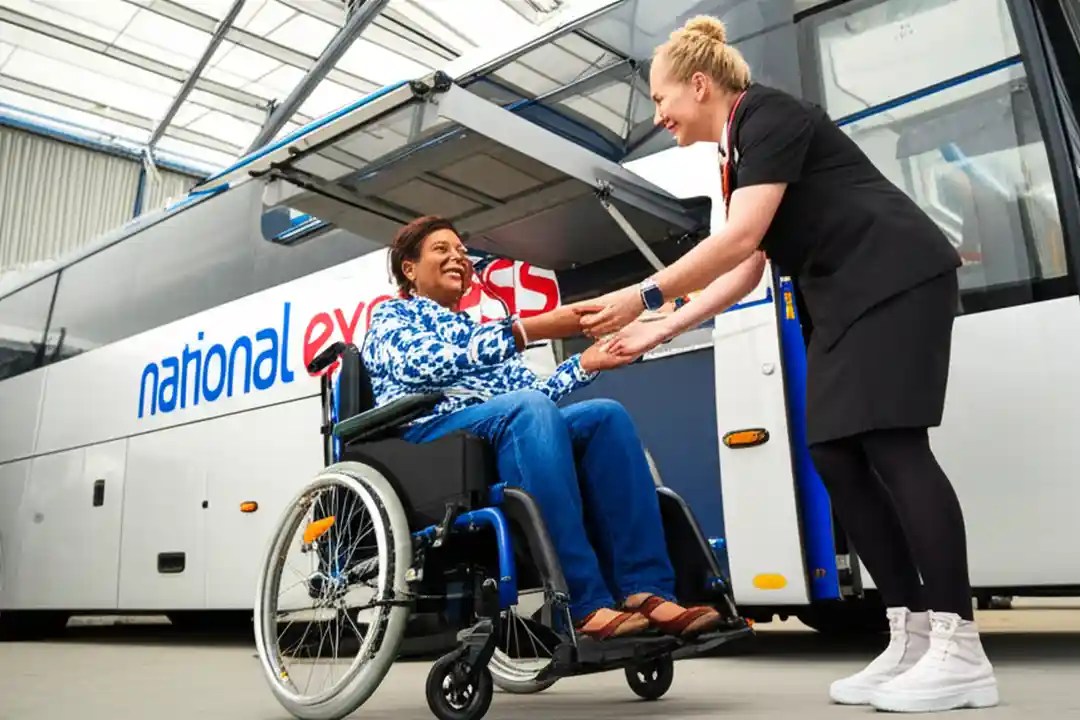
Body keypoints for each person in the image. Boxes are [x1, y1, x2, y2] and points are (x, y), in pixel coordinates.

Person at [579, 16, 998, 713]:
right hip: (843, 300)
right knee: (834, 454)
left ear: (702, 84)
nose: (660, 117)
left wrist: (640, 294)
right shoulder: (740, 150)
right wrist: (661, 329)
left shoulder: (768, 115)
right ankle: (911, 633)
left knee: (895, 448)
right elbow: (747, 266)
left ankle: (960, 646)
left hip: (891, 279)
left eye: (662, 100)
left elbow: (740, 237)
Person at [361, 215, 722, 641]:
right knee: (526, 409)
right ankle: (583, 602)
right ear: (409, 269)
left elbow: (534, 393)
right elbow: (423, 364)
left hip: (500, 428)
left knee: (605, 414)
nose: (457, 257)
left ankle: (646, 590)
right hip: (432, 437)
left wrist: (585, 363)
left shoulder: (474, 329)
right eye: (442, 249)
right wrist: (524, 329)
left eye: (461, 251)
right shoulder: (392, 317)